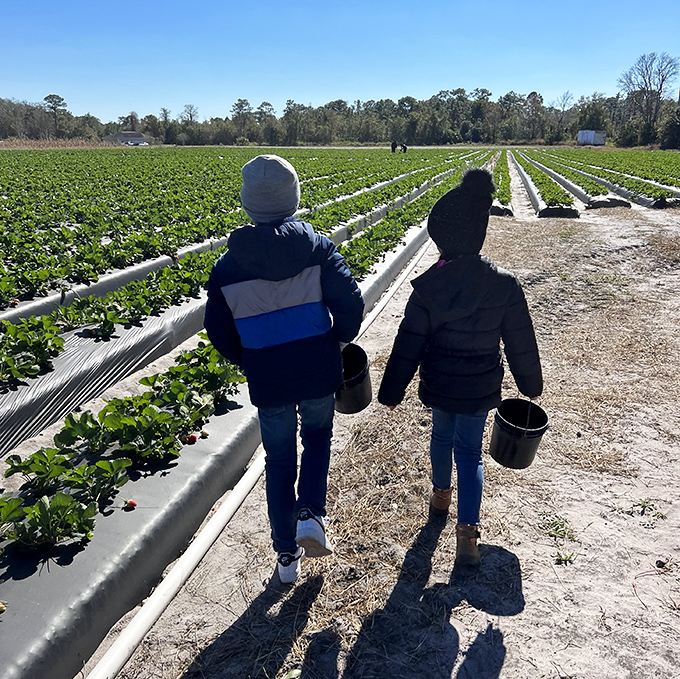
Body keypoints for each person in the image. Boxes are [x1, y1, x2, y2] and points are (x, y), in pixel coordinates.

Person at [204, 154, 364, 583]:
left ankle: (285, 557)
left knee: (278, 461)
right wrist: (337, 341)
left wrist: (249, 357)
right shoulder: (317, 248)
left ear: (247, 203)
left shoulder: (226, 268)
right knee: (317, 438)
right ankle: (311, 512)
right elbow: (351, 302)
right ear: (294, 198)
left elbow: (217, 330)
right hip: (316, 369)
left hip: (268, 378)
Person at [377, 168, 542, 568]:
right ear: (480, 231)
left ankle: (439, 498)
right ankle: (468, 537)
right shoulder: (504, 285)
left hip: (440, 383)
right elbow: (521, 340)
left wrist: (391, 391)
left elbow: (407, 345)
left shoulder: (428, 288)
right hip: (479, 387)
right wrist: (530, 385)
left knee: (440, 436)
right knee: (470, 454)